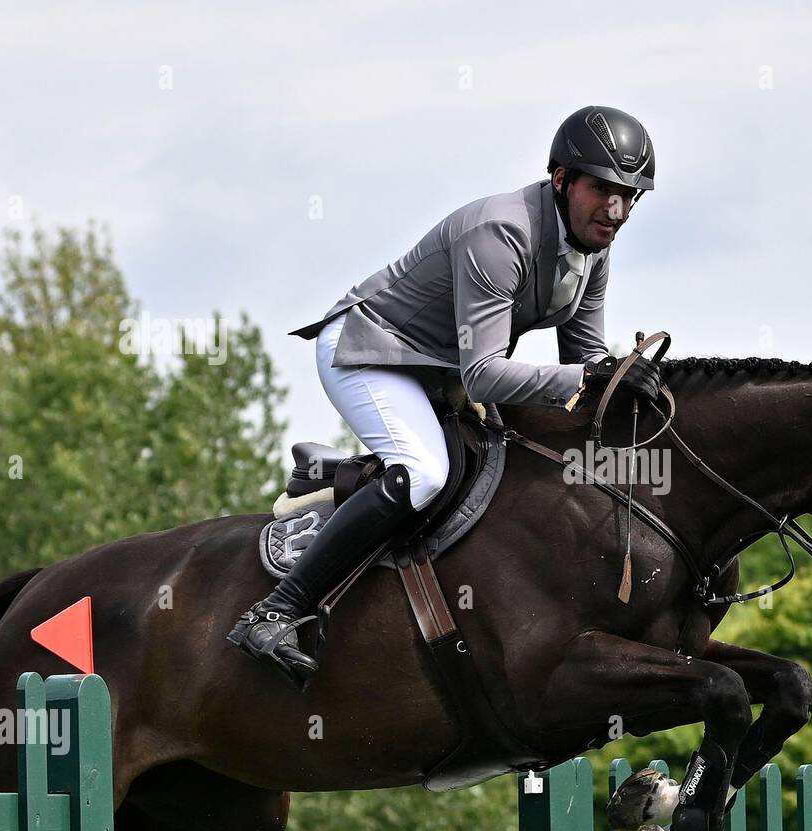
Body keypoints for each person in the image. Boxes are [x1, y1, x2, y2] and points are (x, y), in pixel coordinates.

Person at [227, 105, 665, 690]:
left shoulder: (593, 249)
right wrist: (590, 380)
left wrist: (618, 381)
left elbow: (582, 358)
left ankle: (337, 473)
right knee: (426, 473)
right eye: (602, 190)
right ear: (560, 178)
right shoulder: (502, 232)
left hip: (438, 369)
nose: (615, 210)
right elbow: (485, 375)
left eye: (628, 195)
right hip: (371, 350)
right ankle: (276, 611)